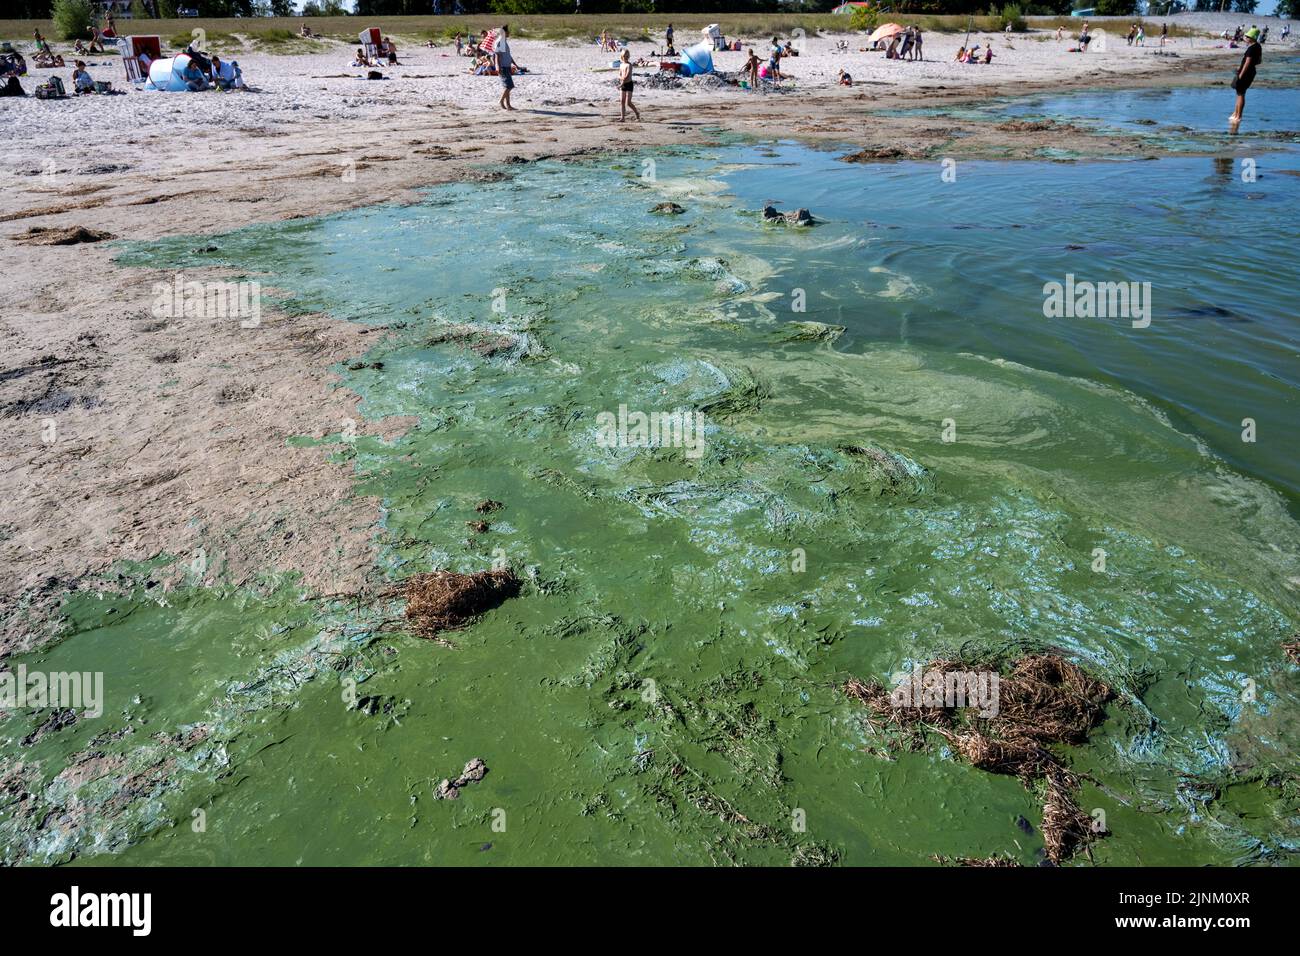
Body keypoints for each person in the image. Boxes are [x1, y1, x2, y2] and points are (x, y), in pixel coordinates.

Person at [1229, 26, 1262, 130]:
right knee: (1239, 94)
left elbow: (1247, 63)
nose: (1245, 38)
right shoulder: (1258, 46)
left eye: (1247, 37)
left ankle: (1238, 116)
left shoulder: (1252, 48)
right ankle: (1235, 113)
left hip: (1246, 73)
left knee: (1240, 94)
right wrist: (1241, 67)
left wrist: (1240, 75)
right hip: (1251, 72)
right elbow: (1259, 61)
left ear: (1251, 38)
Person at [494, 25, 515, 111]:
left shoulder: (503, 41)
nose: (509, 33)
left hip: (506, 65)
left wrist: (514, 64)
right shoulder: (501, 41)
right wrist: (498, 66)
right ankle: (501, 101)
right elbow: (497, 55)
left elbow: (507, 55)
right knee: (509, 86)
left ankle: (508, 105)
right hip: (503, 66)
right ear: (504, 32)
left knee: (507, 86)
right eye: (508, 31)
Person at [617, 48, 639, 122]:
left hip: (629, 84)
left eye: (627, 56)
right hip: (623, 84)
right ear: (622, 56)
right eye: (624, 56)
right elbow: (619, 74)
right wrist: (621, 80)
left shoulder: (629, 65)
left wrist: (622, 82)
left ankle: (637, 113)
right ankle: (622, 117)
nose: (626, 58)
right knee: (622, 101)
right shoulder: (621, 65)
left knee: (628, 102)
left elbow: (627, 75)